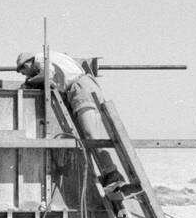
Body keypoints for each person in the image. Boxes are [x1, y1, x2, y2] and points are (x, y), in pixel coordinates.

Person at [15, 50, 138, 199]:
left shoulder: (40, 58)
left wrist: (28, 82)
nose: (26, 75)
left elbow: (47, 75)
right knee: (91, 136)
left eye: (24, 72)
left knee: (91, 135)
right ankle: (109, 174)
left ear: (27, 64)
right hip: (85, 86)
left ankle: (113, 175)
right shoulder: (55, 57)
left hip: (80, 89)